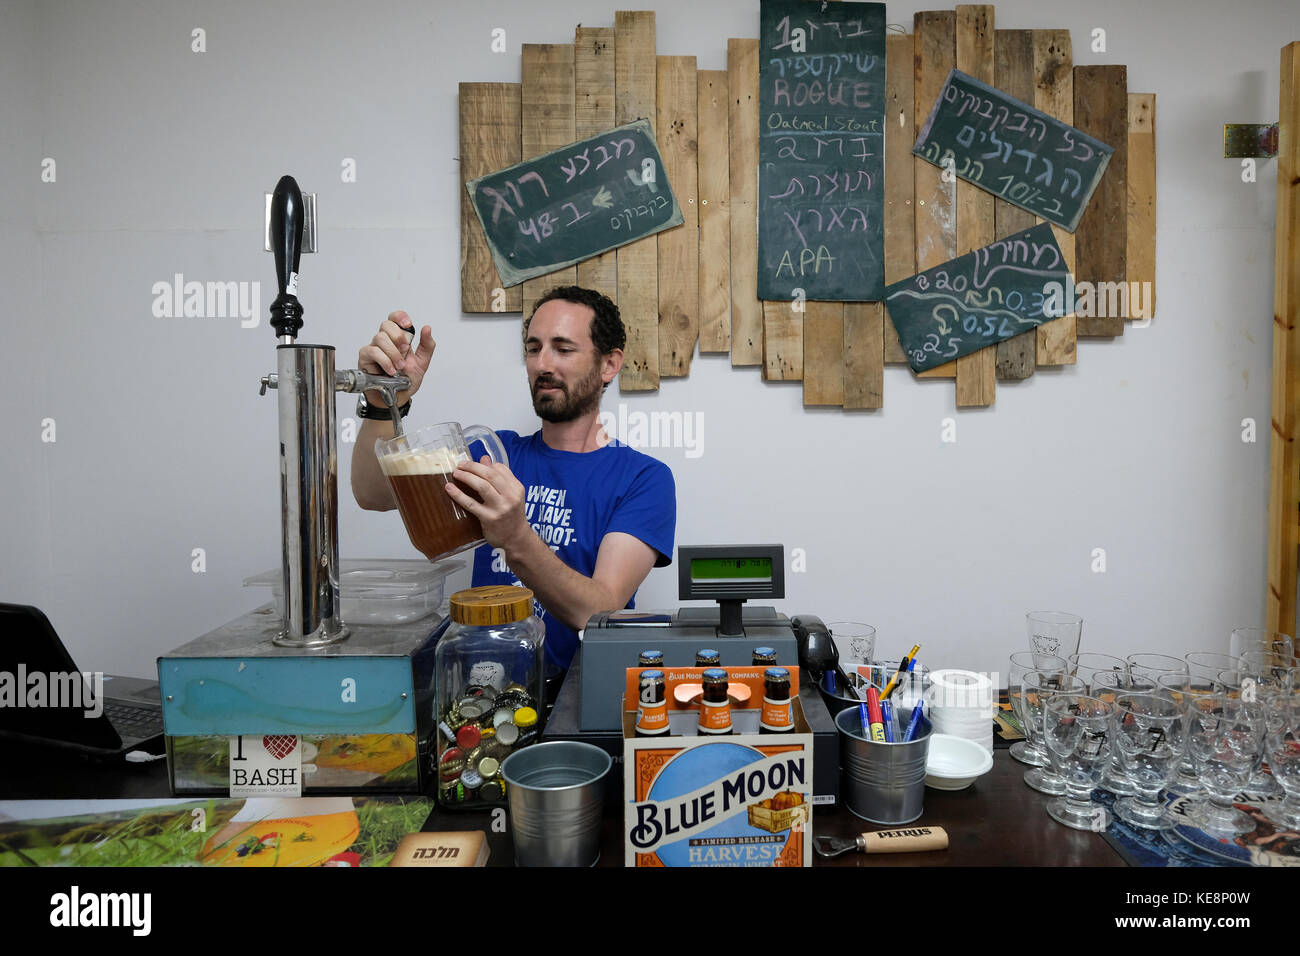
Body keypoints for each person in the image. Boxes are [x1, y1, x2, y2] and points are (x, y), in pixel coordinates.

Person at [350, 286, 676, 677]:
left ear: (608, 365)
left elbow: (598, 611)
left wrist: (516, 535)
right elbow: (372, 493)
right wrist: (384, 401)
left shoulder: (642, 479)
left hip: (576, 704)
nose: (543, 364)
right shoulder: (494, 451)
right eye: (534, 347)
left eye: (563, 348)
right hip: (478, 695)